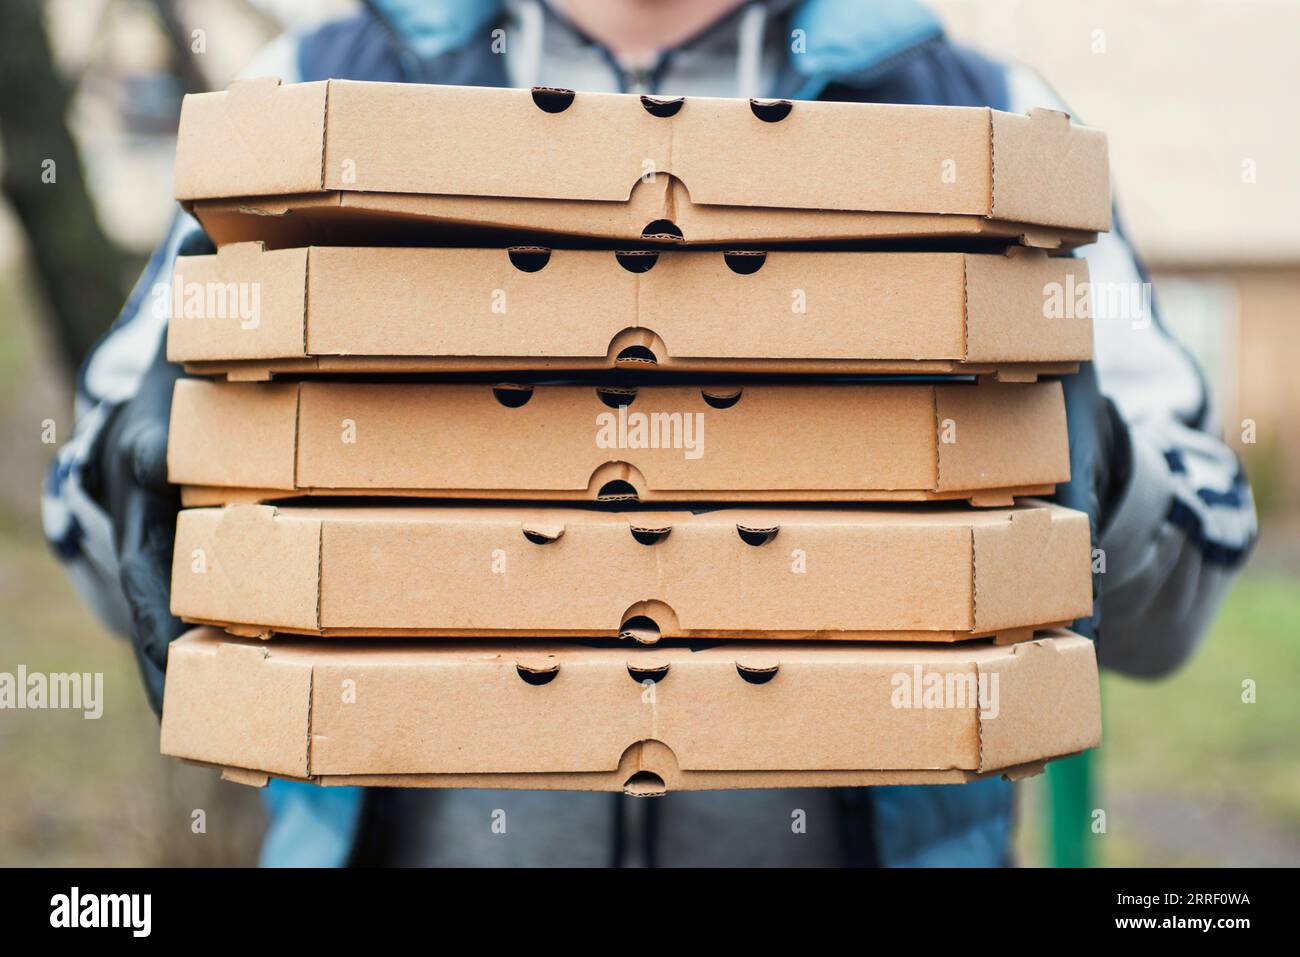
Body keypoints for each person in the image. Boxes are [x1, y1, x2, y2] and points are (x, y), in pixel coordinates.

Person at [43, 0, 1257, 867]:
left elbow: (1181, 591)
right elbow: (109, 549)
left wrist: (1090, 470)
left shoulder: (989, 116)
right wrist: (144, 465)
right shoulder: (303, 94)